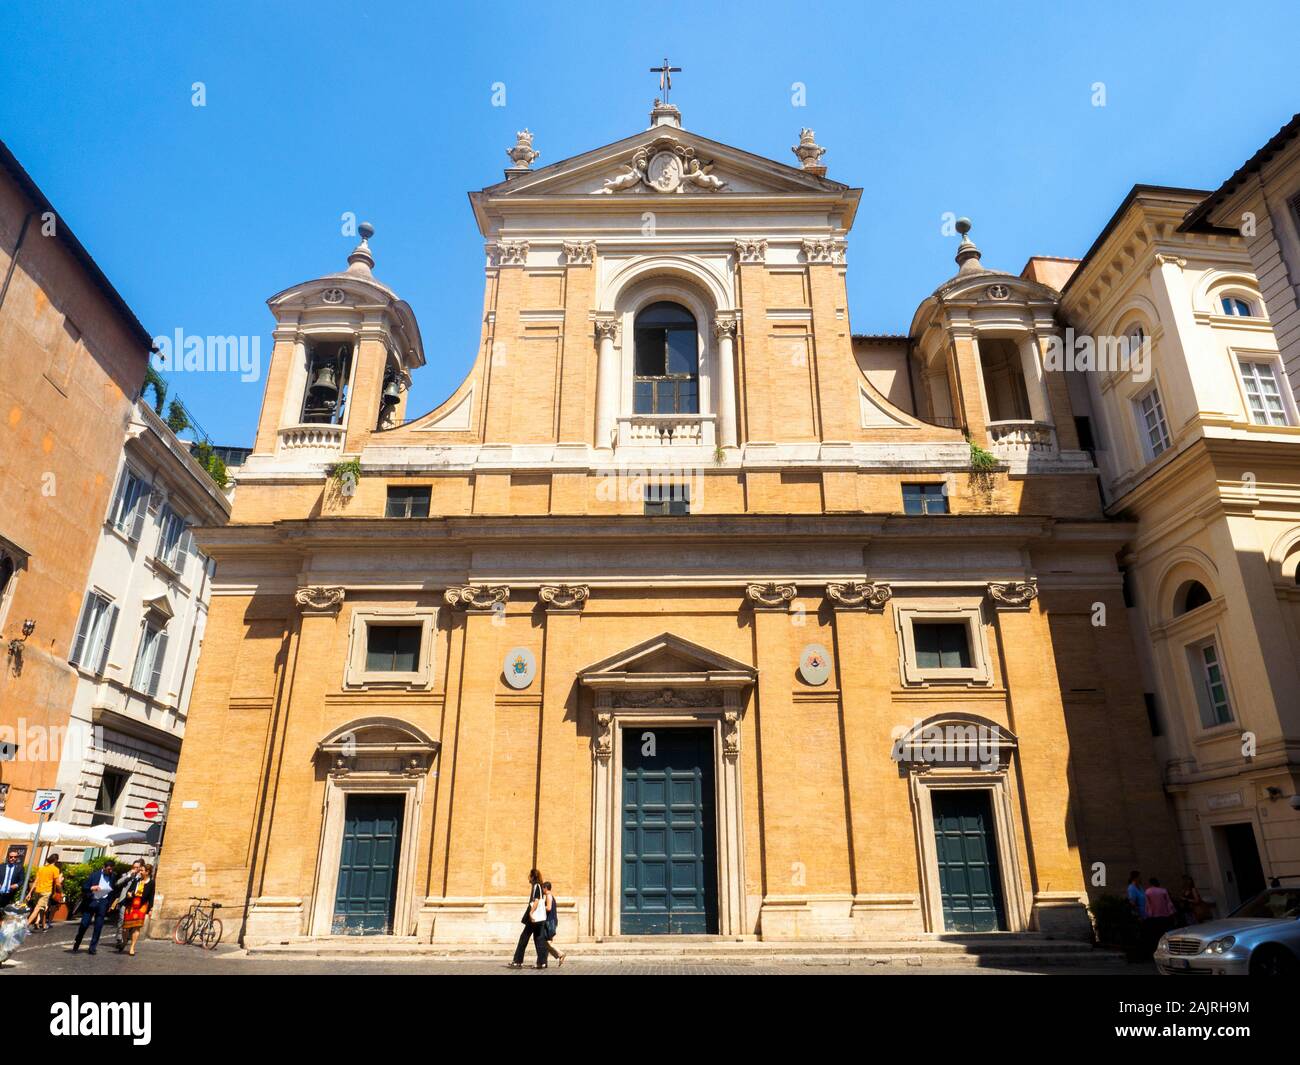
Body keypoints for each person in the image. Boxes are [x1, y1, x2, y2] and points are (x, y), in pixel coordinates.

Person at [72, 861, 117, 955]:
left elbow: (113, 890)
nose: (110, 871)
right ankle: (78, 941)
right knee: (84, 924)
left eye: (112, 869)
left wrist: (109, 904)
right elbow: (84, 887)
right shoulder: (94, 875)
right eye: (109, 869)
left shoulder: (112, 876)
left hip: (103, 902)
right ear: (104, 867)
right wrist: (92, 888)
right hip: (92, 901)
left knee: (98, 926)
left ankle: (92, 948)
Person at [508, 868, 548, 969]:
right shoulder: (538, 886)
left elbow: (537, 901)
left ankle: (517, 961)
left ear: (532, 876)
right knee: (538, 939)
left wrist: (531, 913)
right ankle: (542, 962)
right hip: (537, 919)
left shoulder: (536, 886)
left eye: (529, 876)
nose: (528, 878)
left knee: (524, 938)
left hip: (534, 918)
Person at [117, 864, 154, 956]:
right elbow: (130, 890)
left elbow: (151, 896)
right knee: (125, 927)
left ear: (147, 872)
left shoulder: (151, 882)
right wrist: (129, 894)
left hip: (141, 906)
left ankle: (132, 947)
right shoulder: (137, 880)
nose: (140, 872)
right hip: (131, 904)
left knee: (136, 927)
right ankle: (124, 941)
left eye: (142, 870)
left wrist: (150, 909)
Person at [110, 860, 144, 949]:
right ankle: (119, 939)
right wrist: (129, 876)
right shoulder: (127, 874)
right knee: (121, 919)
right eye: (134, 867)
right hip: (124, 900)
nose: (135, 869)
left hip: (134, 902)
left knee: (131, 921)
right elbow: (117, 883)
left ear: (140, 868)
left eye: (137, 867)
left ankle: (126, 937)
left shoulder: (142, 877)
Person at [26, 853, 62, 931]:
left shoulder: (41, 868)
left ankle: (43, 925)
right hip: (46, 892)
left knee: (43, 908)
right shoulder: (55, 869)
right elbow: (57, 883)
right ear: (56, 860)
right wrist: (61, 892)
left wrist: (30, 892)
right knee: (37, 909)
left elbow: (36, 881)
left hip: (37, 891)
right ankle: (25, 926)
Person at [1144, 876, 1176, 946]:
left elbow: (1148, 905)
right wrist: (1172, 913)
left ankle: (1158, 946)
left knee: (1156, 934)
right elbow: (1169, 903)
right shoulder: (1163, 891)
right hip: (1165, 915)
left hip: (1154, 916)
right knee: (1165, 932)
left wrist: (1148, 915)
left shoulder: (1147, 892)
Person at [541, 881, 566, 967]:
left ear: (545, 888)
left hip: (549, 922)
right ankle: (545, 962)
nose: (542, 890)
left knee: (547, 942)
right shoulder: (551, 896)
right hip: (552, 921)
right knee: (547, 943)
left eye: (542, 888)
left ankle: (560, 954)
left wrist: (540, 906)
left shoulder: (548, 896)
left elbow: (548, 908)